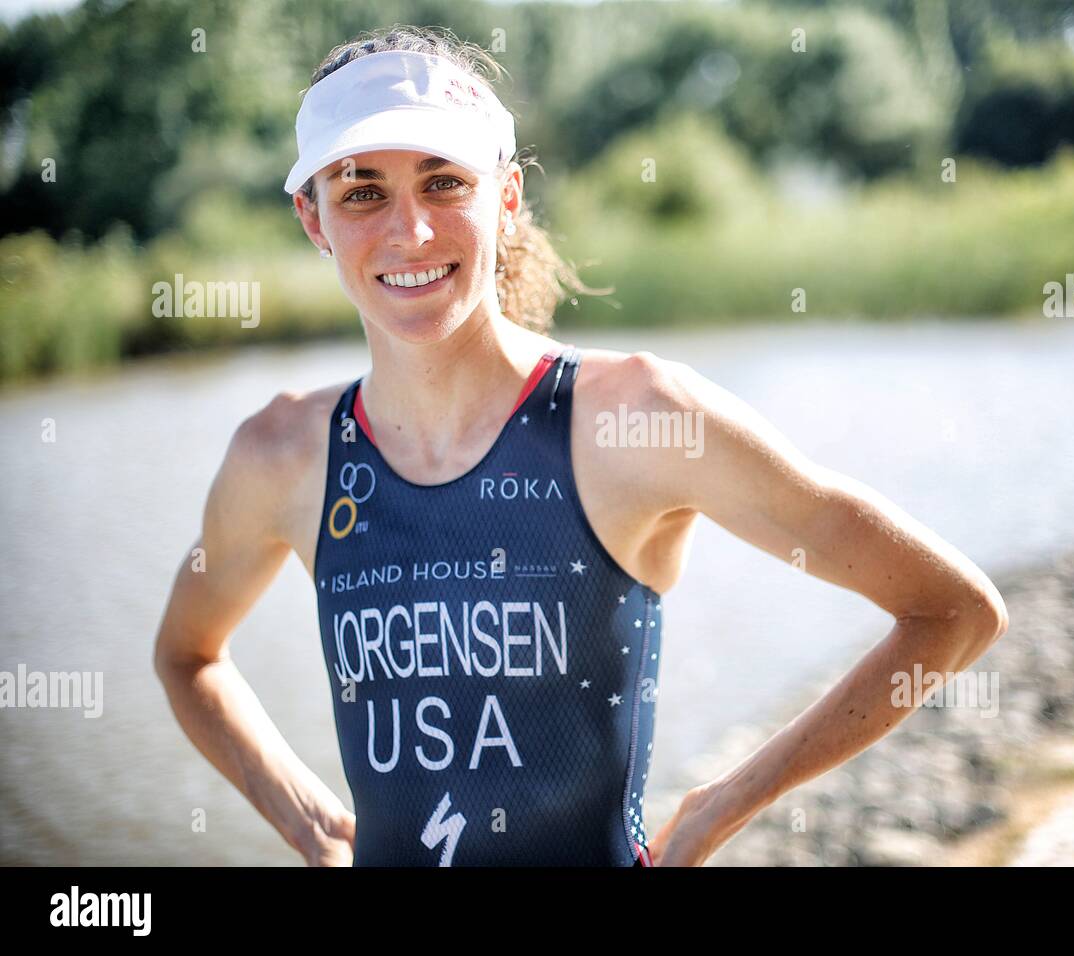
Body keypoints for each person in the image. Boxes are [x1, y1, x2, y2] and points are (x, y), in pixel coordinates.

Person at [152, 25, 1008, 868]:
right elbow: (188, 657)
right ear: (313, 217)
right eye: (362, 191)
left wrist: (725, 804)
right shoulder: (282, 455)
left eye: (444, 182)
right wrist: (310, 825)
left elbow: (951, 612)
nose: (409, 232)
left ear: (508, 198)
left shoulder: (636, 418)